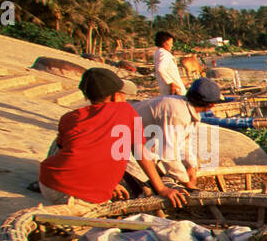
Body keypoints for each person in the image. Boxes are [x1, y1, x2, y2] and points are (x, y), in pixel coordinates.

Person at [39, 68, 187, 208]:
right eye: (123, 94)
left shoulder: (70, 117)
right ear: (116, 96)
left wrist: (108, 183)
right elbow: (140, 152)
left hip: (49, 182)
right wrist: (161, 188)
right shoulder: (126, 111)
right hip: (75, 192)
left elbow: (81, 153)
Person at [125, 77, 227, 191]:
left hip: (142, 145)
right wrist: (185, 181)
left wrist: (191, 165)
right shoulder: (176, 113)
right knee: (147, 189)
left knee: (162, 175)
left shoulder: (186, 108)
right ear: (211, 105)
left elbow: (184, 142)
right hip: (123, 145)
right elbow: (168, 151)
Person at [153, 31, 186, 97]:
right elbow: (160, 69)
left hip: (166, 86)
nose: (172, 45)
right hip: (173, 88)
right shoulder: (164, 54)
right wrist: (171, 82)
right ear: (165, 43)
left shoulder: (158, 52)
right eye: (171, 43)